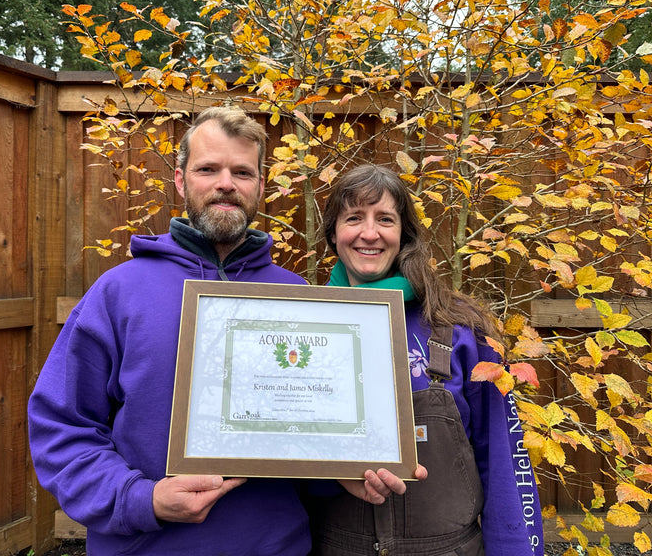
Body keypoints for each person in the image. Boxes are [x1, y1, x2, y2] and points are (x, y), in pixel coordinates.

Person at [28, 108, 406, 556]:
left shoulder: (300, 297)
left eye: (242, 172)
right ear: (181, 181)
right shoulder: (118, 293)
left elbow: (312, 432)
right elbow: (61, 427)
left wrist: (346, 470)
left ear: (261, 187)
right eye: (208, 169)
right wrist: (140, 499)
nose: (226, 183)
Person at [304, 164, 544, 556]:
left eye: (385, 219)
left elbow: (504, 459)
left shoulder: (461, 329)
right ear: (333, 234)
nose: (370, 233)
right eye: (353, 218)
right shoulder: (307, 323)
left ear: (404, 234)